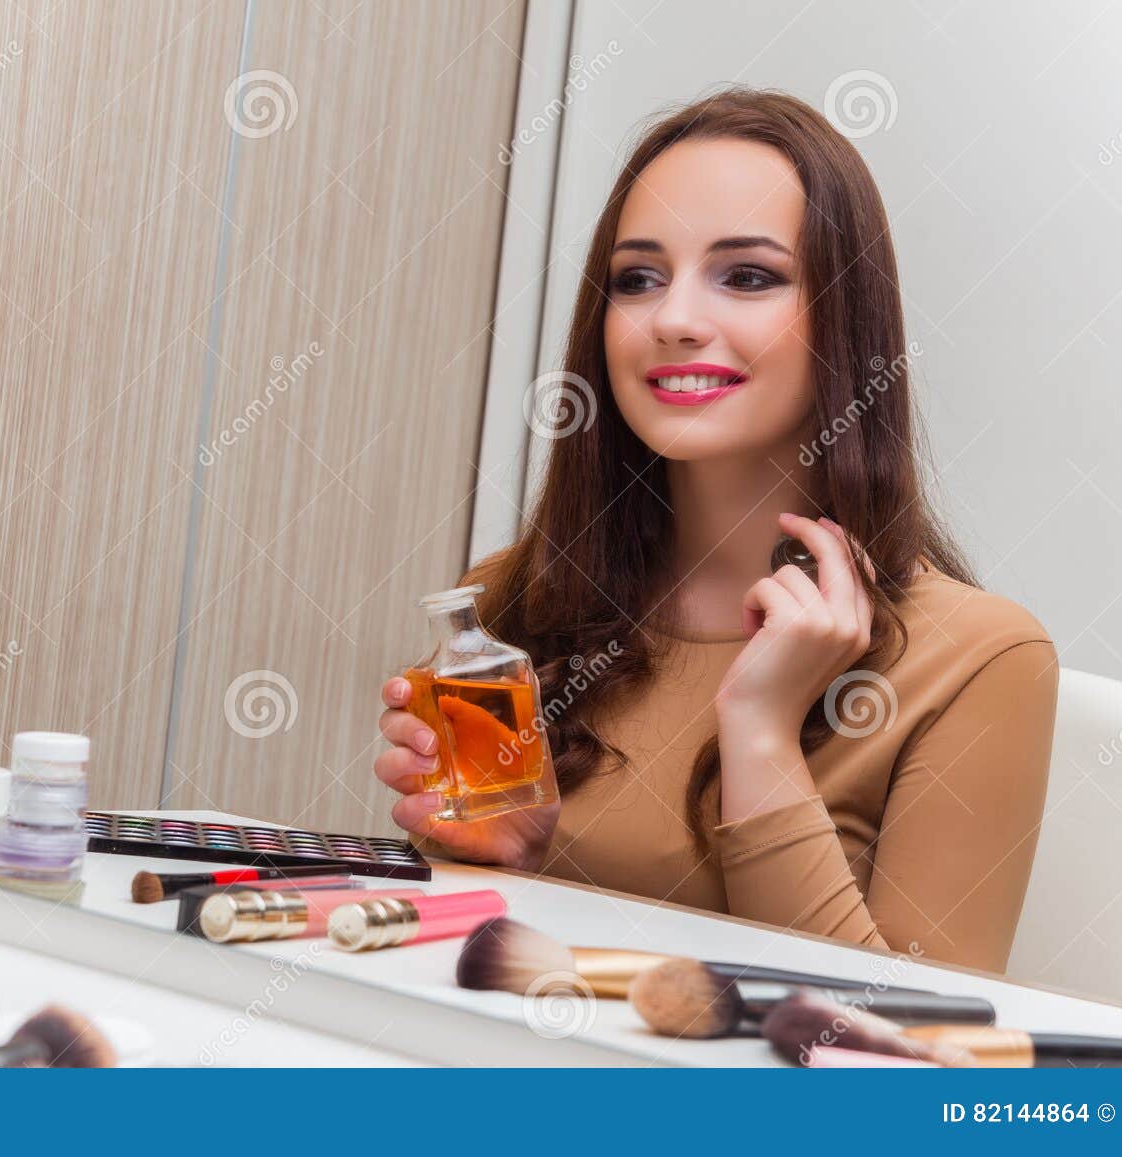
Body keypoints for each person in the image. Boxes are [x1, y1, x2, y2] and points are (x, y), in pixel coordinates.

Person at [374, 87, 1058, 974]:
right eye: (638, 279)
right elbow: (446, 977)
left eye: (746, 276)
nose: (675, 320)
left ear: (842, 322)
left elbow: (909, 1066)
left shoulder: (980, 661)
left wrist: (762, 732)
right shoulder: (519, 599)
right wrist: (499, 861)